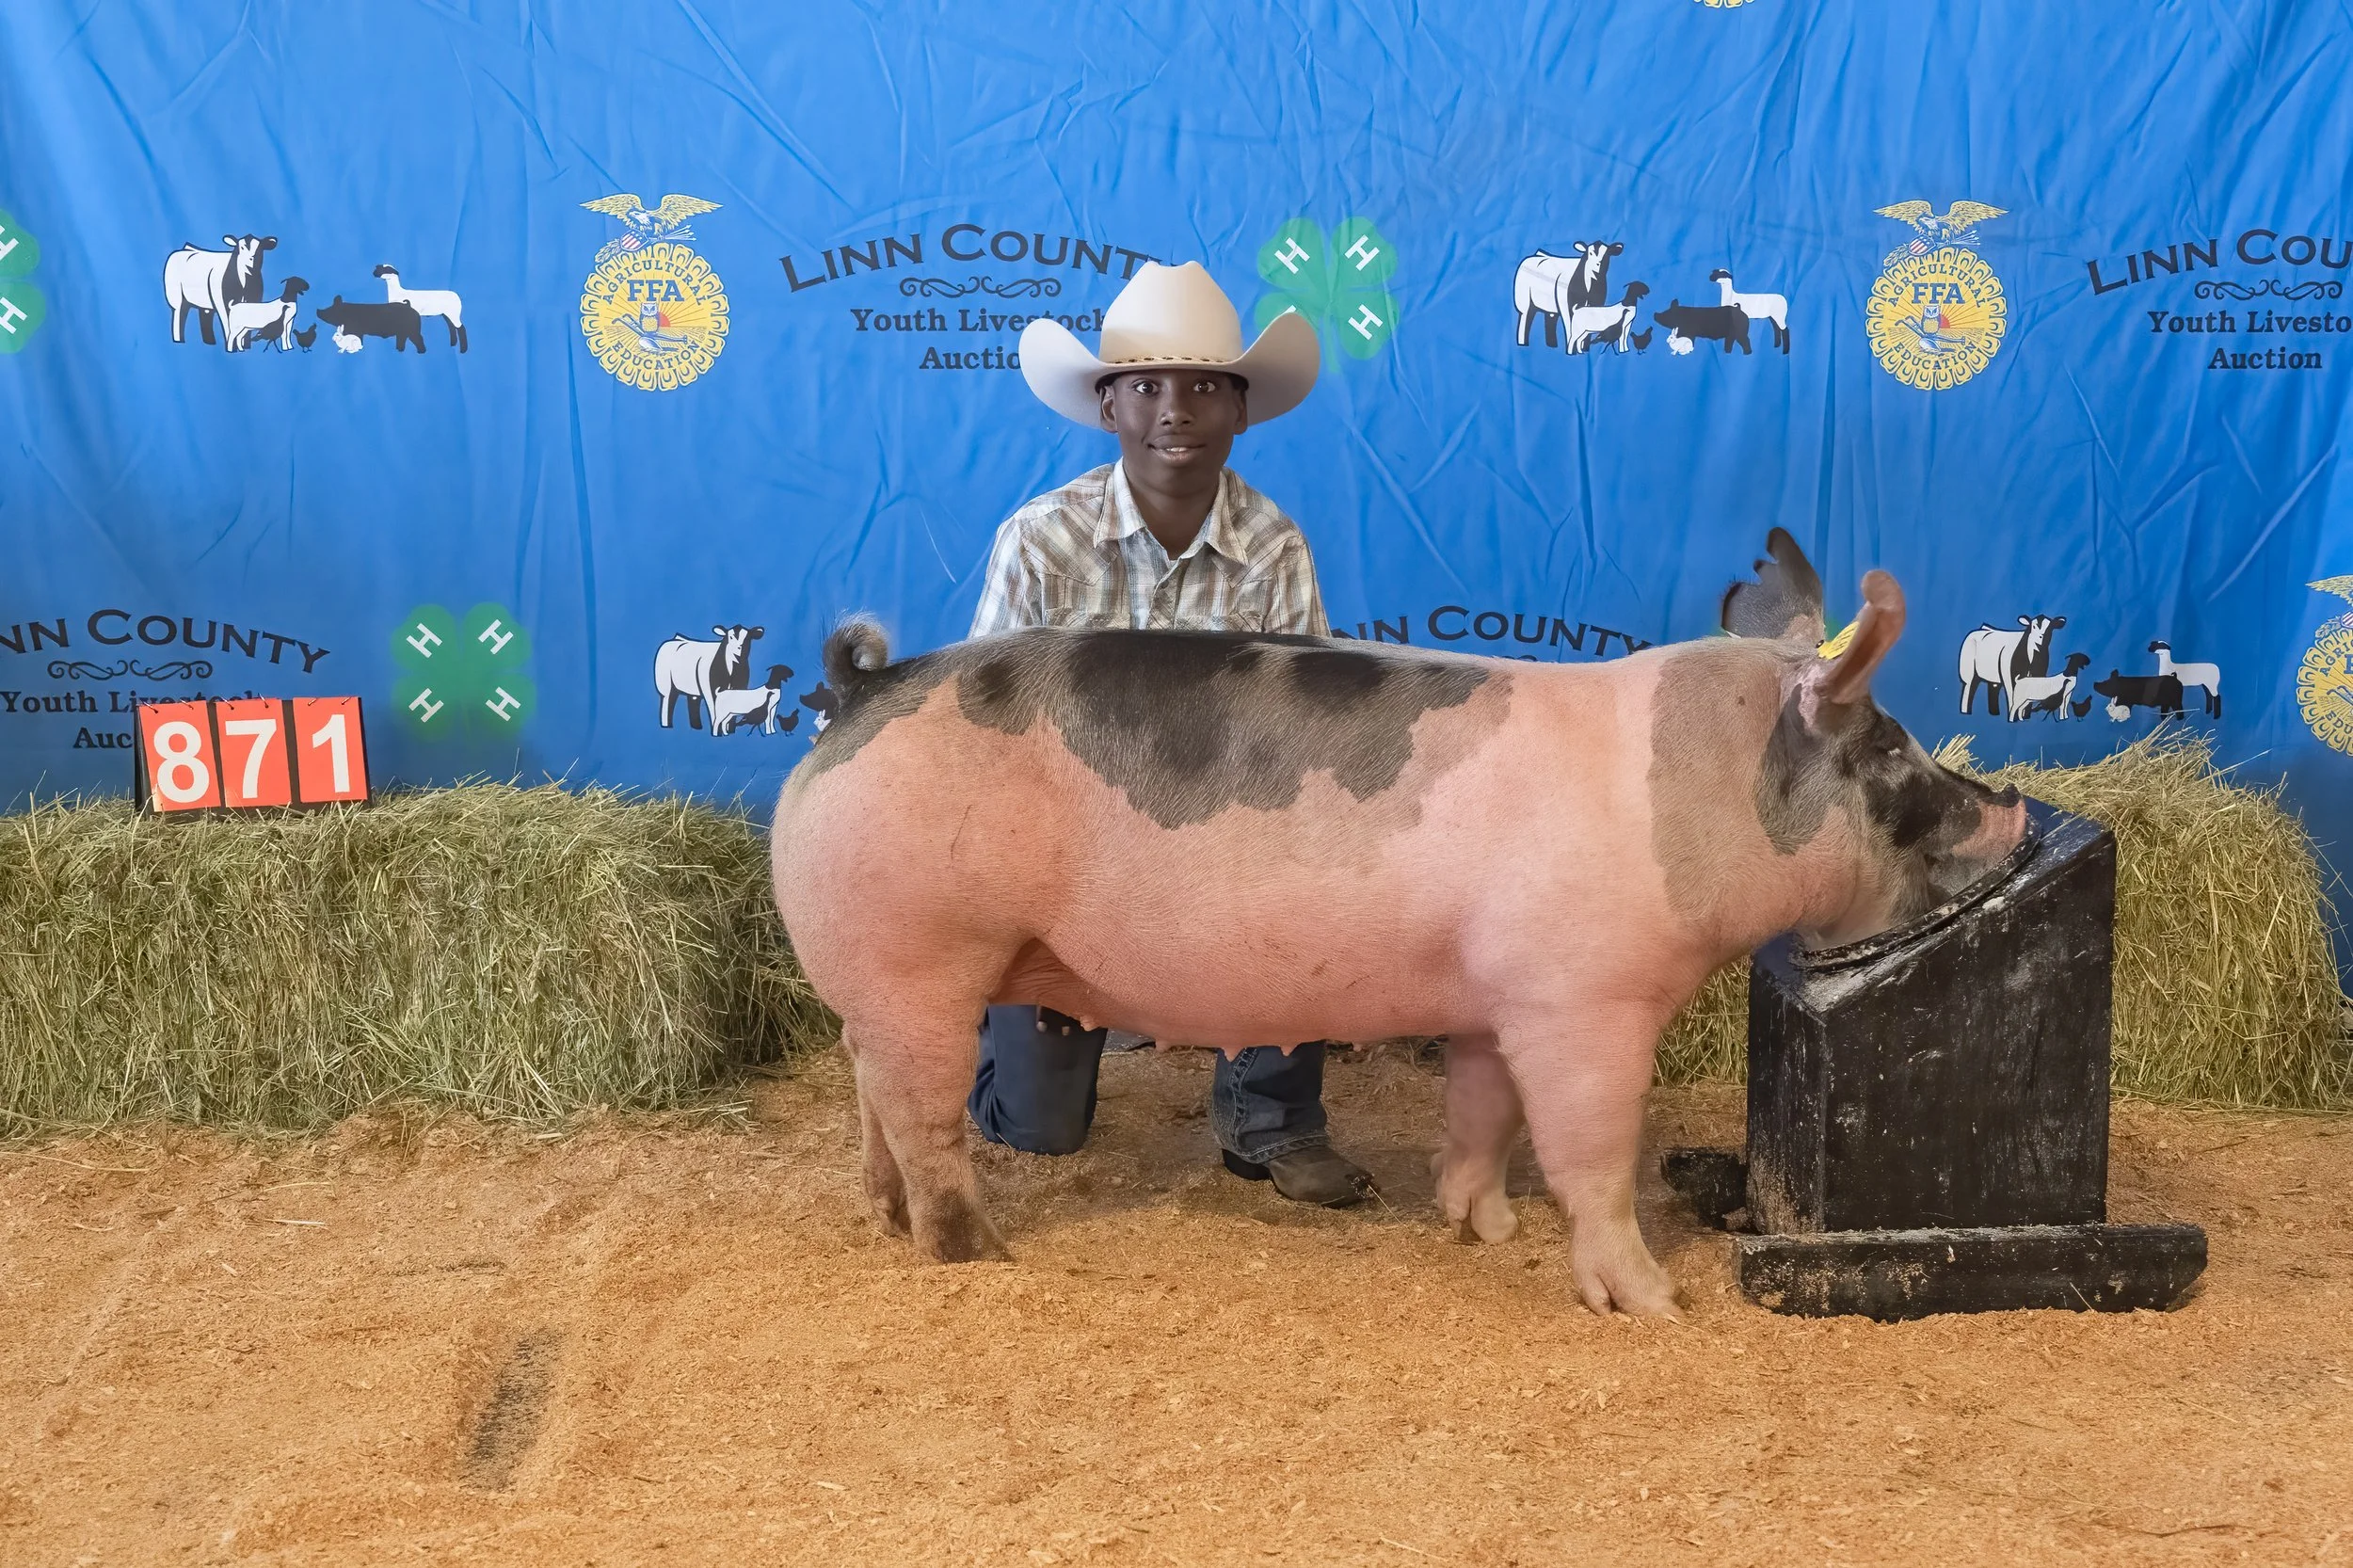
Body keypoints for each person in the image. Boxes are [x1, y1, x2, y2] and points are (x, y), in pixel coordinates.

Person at [962, 260, 1373, 1207]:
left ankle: (1268, 1114)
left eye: (1201, 388)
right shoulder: (1040, 539)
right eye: (1144, 387)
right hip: (1065, 852)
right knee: (1042, 1133)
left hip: (1219, 836)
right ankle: (999, 1039)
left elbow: (1300, 729)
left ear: (1240, 410)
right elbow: (987, 724)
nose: (1172, 410)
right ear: (1107, 408)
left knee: (1307, 862)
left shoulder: (1273, 546)